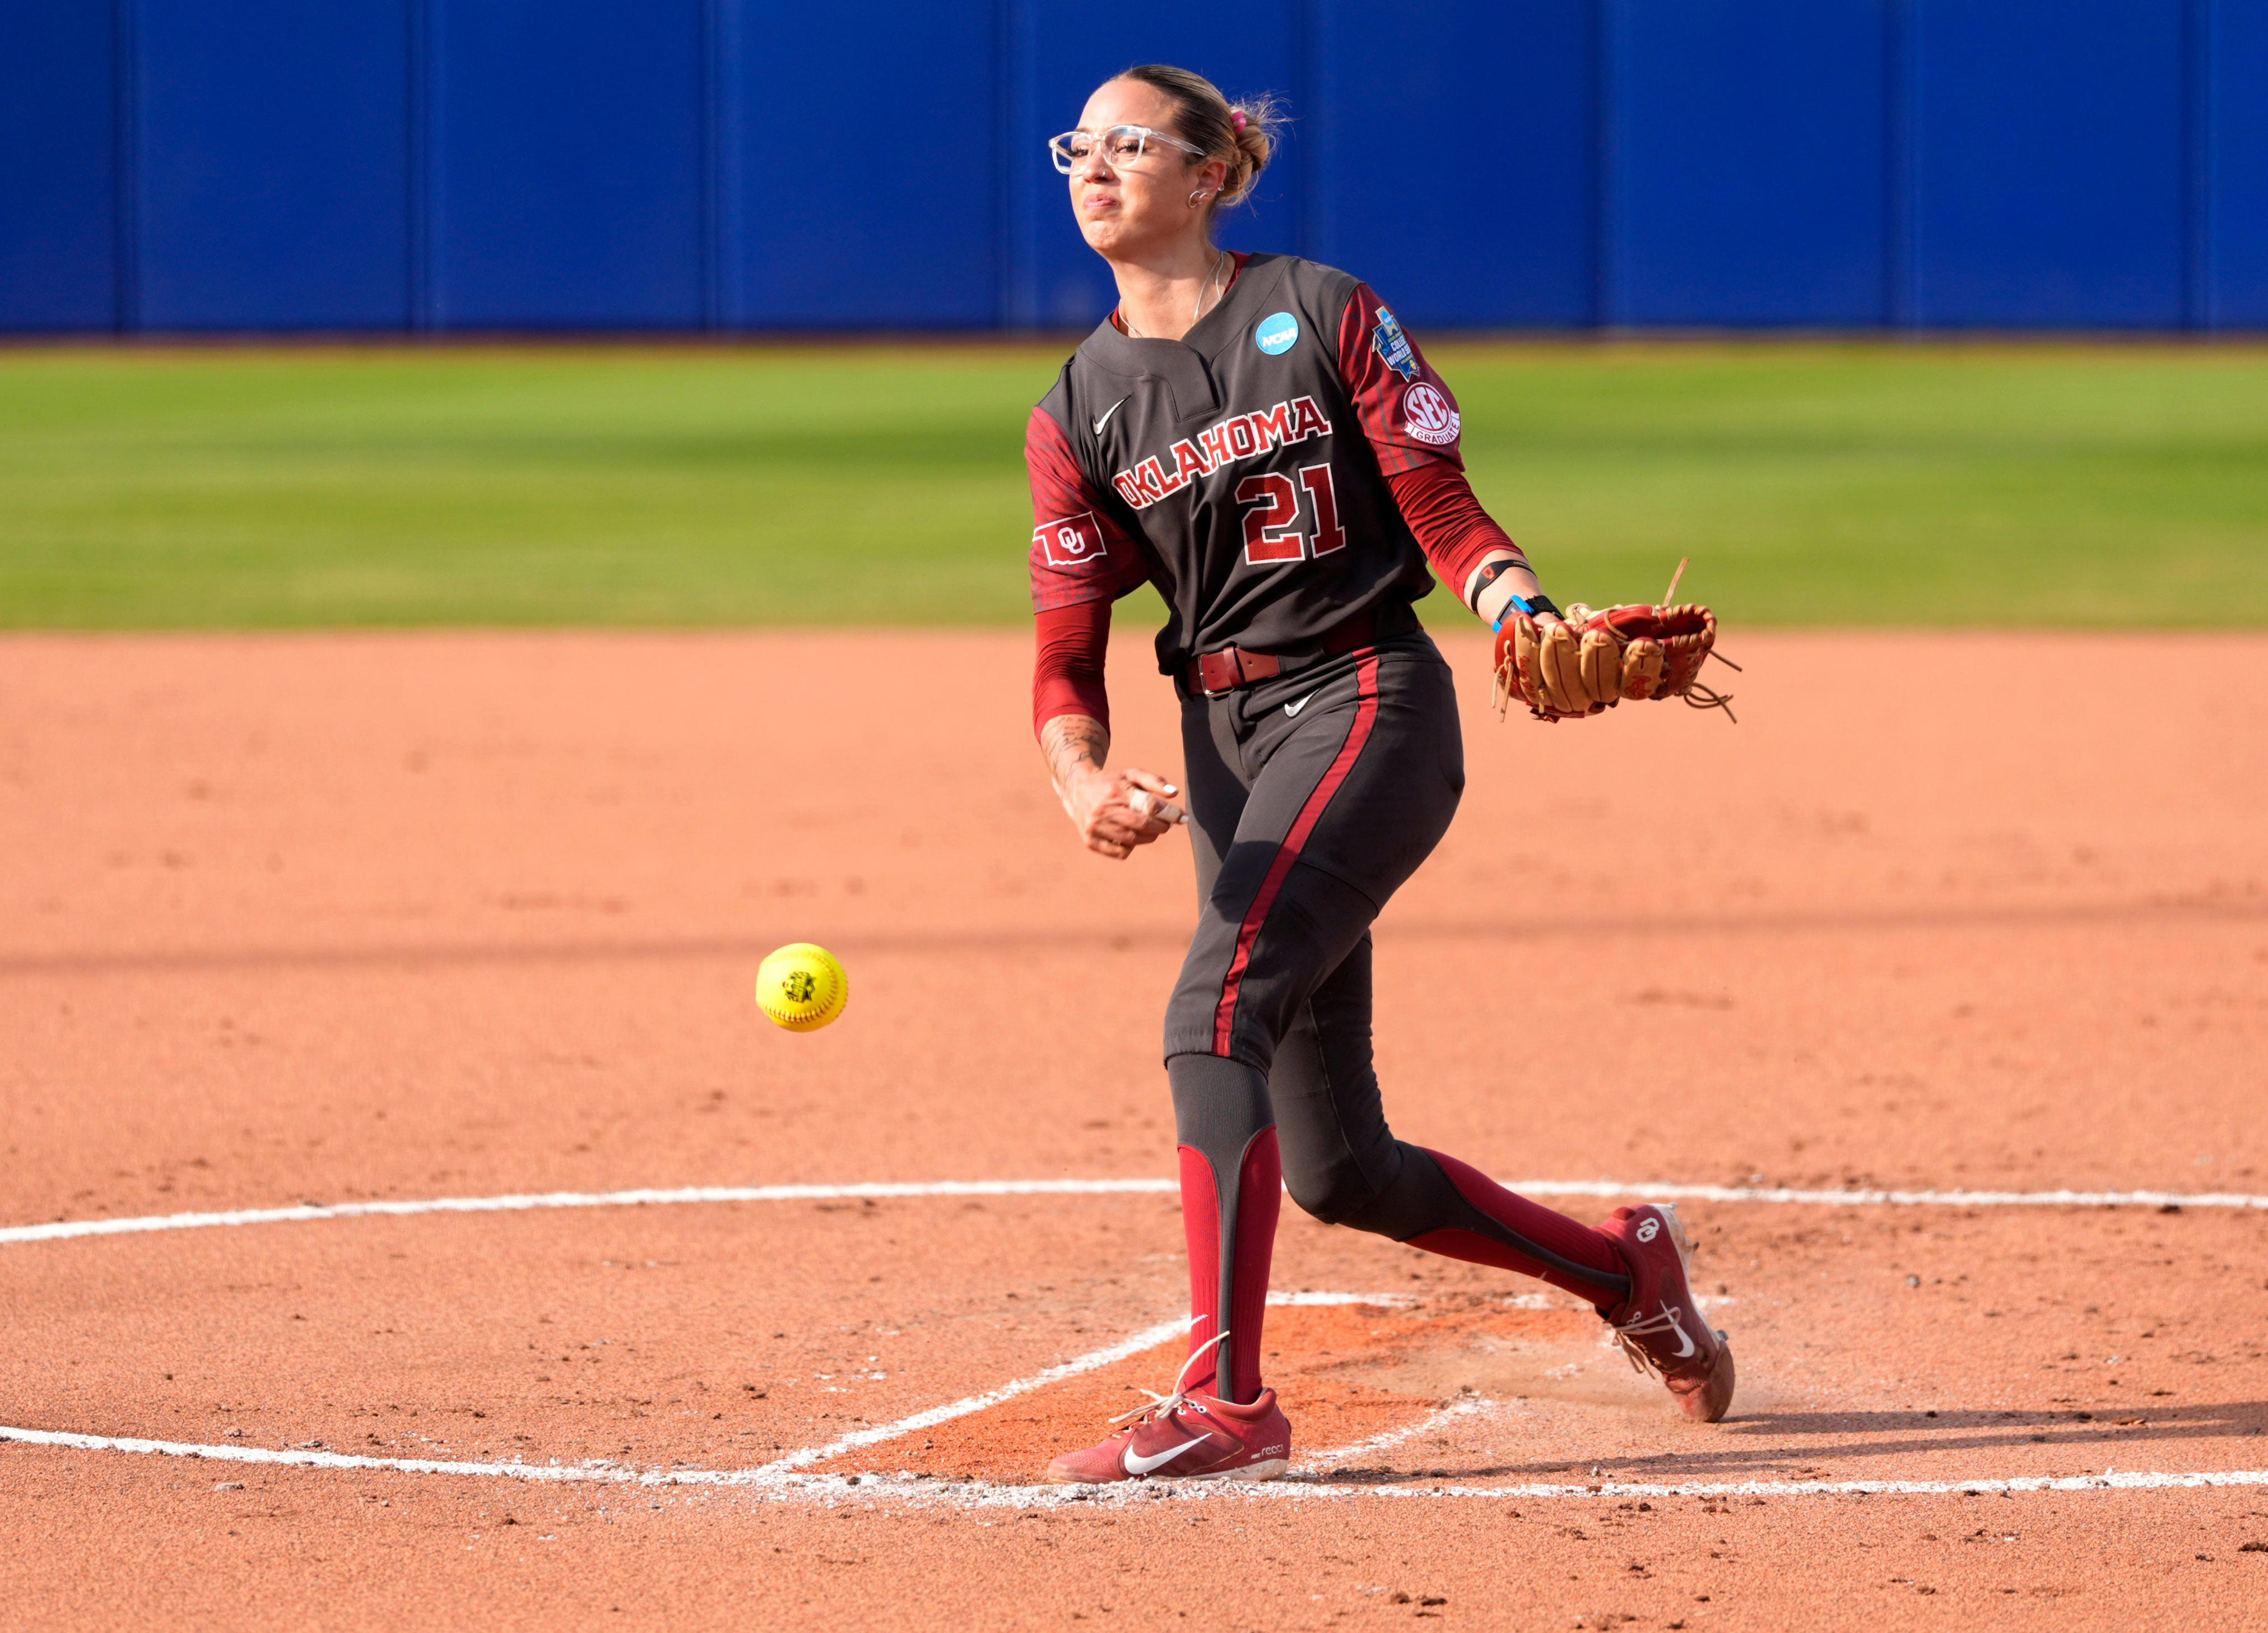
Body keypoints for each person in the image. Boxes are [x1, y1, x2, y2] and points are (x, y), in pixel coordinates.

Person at [1025, 64, 1733, 1486]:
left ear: (1213, 170)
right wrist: (1077, 777)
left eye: (1126, 144)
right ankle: (1625, 1275)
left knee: (1210, 1005)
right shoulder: (1076, 405)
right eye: (1074, 147)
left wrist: (1522, 612)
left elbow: (1444, 510)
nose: (1091, 169)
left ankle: (1228, 1401)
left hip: (1365, 700)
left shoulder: (1323, 306)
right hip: (1227, 749)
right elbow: (1065, 654)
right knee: (1342, 1165)